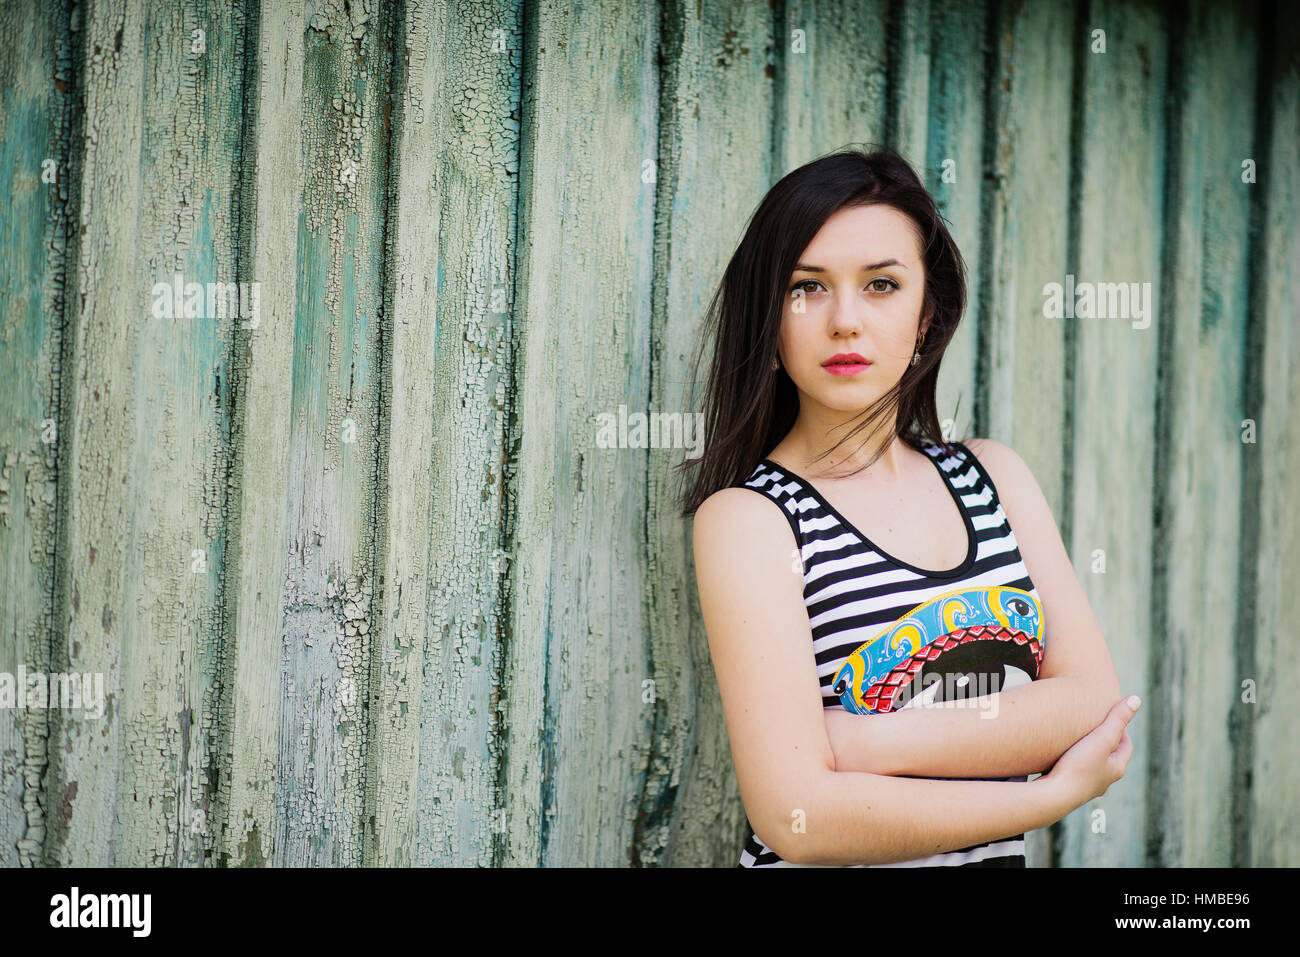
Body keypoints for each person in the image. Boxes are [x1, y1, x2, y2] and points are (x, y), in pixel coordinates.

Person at [679, 144, 1140, 867]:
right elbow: (800, 816)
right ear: (768, 322)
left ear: (929, 314)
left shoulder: (994, 479)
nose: (845, 321)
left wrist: (862, 738)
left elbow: (1090, 700)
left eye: (882, 285)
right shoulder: (751, 520)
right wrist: (1043, 798)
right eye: (807, 287)